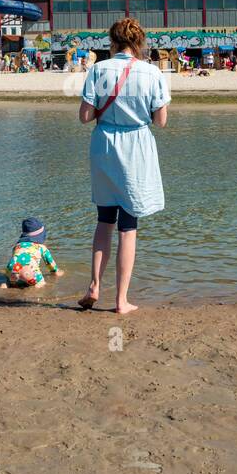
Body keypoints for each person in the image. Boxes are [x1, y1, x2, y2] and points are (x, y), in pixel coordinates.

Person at [77, 18, 169, 314]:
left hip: (104, 145)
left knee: (104, 220)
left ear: (112, 41)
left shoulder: (98, 70)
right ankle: (121, 301)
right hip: (136, 147)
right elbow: (161, 121)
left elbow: (85, 116)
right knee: (128, 228)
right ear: (139, 42)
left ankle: (94, 285)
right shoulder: (152, 72)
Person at [3, 218, 65, 288]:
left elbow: (16, 259)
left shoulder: (17, 246)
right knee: (41, 283)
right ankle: (35, 291)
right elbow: (50, 264)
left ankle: (5, 285)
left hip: (12, 271)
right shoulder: (41, 247)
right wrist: (56, 272)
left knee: (10, 283)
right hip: (29, 271)